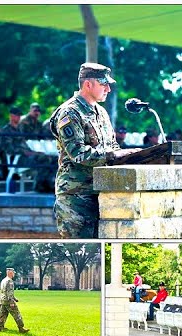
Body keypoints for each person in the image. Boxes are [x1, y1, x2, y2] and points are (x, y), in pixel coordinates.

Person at [48, 64, 140, 238]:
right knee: (81, 256)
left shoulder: (101, 113)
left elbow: (112, 146)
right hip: (76, 197)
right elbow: (78, 153)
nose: (108, 89)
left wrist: (129, 156)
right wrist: (113, 155)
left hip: (102, 193)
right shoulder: (70, 113)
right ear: (88, 84)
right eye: (103, 84)